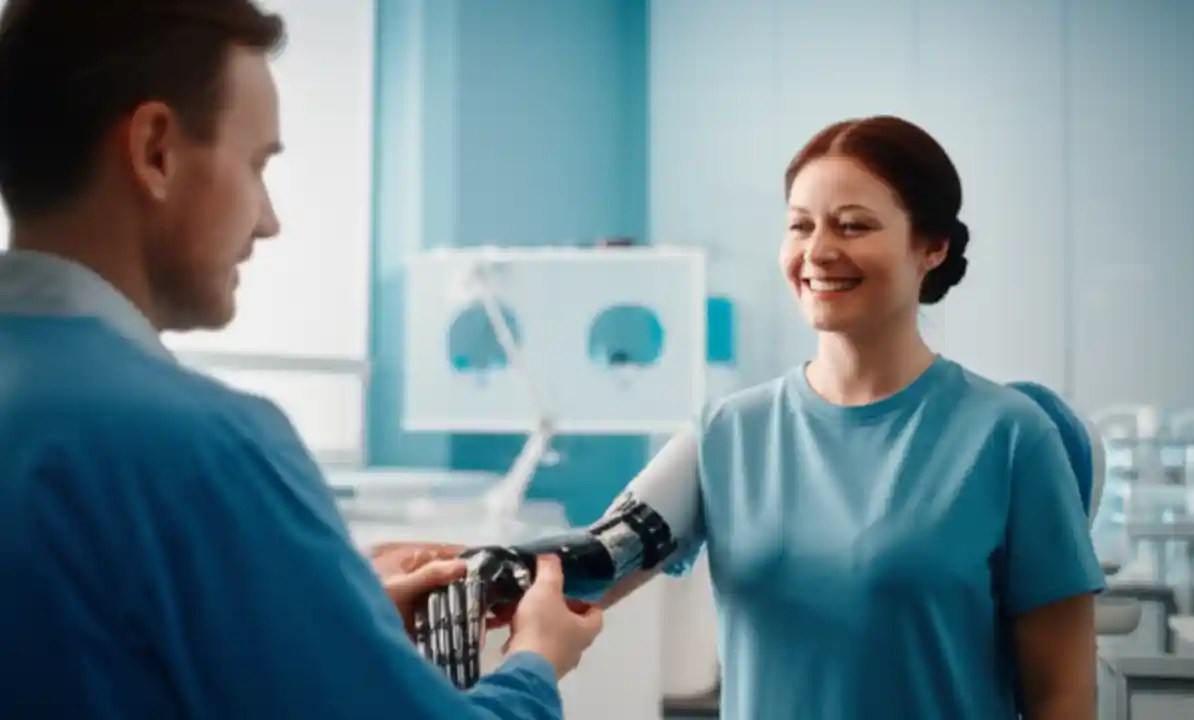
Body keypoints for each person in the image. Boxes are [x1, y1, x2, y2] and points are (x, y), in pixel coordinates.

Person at [0, 1, 601, 718]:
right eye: (257, 165)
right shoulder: (202, 448)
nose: (269, 220)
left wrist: (339, 617)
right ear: (156, 149)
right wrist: (535, 661)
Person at [458, 116, 1104, 719]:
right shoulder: (727, 433)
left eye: (853, 225)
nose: (818, 252)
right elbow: (597, 558)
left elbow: (1063, 695)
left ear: (931, 246)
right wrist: (466, 572)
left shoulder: (1011, 435)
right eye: (800, 226)